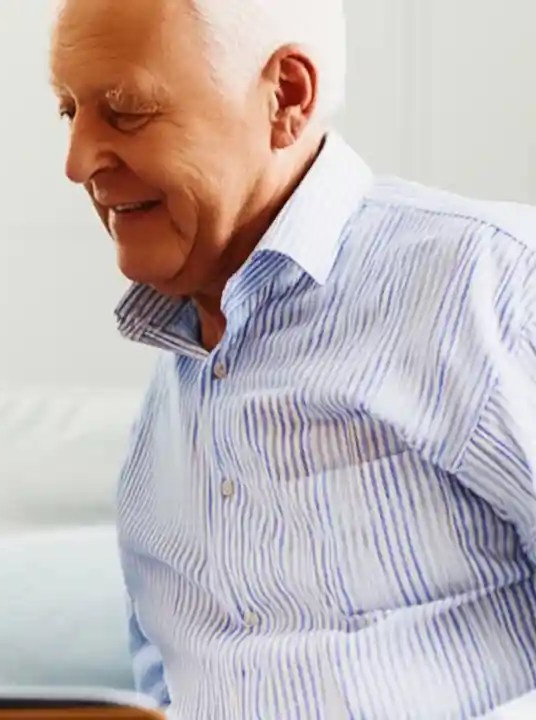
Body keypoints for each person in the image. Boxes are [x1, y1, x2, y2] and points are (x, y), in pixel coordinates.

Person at [50, 0, 536, 716]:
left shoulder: (487, 281)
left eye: (126, 111)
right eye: (69, 111)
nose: (77, 161)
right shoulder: (172, 382)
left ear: (287, 97)